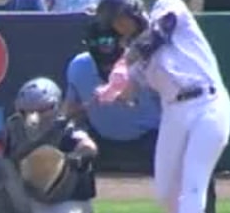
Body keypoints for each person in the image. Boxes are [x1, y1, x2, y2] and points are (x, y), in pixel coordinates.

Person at [93, 0, 230, 213]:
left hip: (209, 103)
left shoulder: (167, 7)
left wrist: (125, 62)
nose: (120, 27)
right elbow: (130, 92)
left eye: (121, 19)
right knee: (165, 190)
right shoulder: (137, 61)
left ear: (133, 10)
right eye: (115, 24)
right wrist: (112, 92)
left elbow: (158, 33)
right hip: (174, 112)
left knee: (195, 178)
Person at [0, 77, 127, 213]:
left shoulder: (68, 128)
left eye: (41, 110)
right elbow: (2, 159)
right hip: (28, 196)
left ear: (54, 107)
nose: (33, 117)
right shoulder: (14, 127)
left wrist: (75, 157)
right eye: (26, 111)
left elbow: (88, 147)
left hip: (64, 204)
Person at [63, 13, 159, 174]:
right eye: (96, 42)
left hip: (149, 142)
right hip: (102, 144)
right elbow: (71, 110)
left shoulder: (143, 65)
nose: (103, 47)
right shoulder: (78, 66)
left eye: (107, 42)